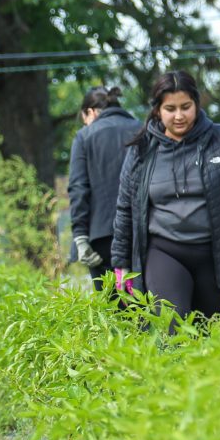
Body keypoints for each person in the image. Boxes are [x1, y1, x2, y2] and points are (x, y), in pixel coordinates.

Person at [111, 70, 220, 326]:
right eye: (170, 108)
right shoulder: (142, 151)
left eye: (186, 107)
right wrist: (121, 262)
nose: (179, 115)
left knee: (202, 332)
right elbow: (125, 208)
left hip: (214, 256)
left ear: (197, 104)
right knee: (174, 327)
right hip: (164, 251)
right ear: (157, 111)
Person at [68, 85, 138, 289]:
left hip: (102, 237)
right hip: (141, 232)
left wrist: (80, 237)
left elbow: (78, 188)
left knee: (112, 309)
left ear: (90, 111)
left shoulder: (84, 136)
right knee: (146, 306)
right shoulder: (143, 129)